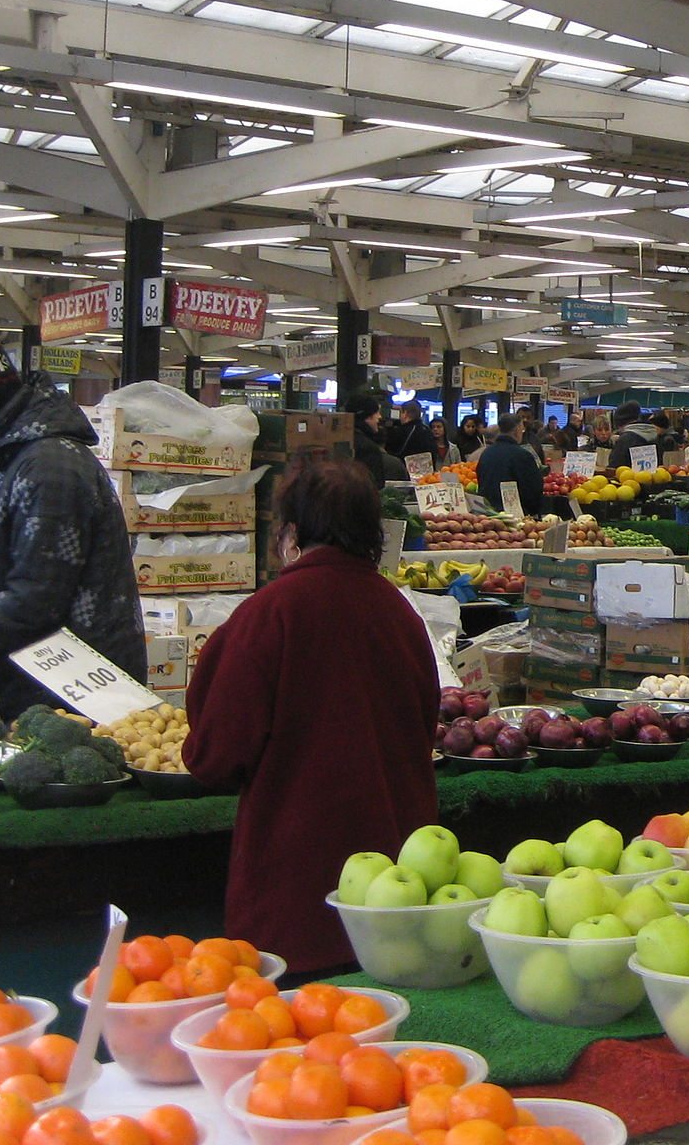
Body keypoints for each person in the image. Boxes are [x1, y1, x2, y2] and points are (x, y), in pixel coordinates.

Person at [184, 460, 438, 971]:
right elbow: (425, 723)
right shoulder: (401, 614)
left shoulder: (270, 613)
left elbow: (214, 755)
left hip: (295, 892)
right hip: (396, 889)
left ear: (291, 532)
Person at [0, 340, 146, 718]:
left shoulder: (49, 467)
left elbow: (38, 598)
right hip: (43, 678)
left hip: (74, 690)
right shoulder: (13, 461)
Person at [478, 414, 546, 516]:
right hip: (515, 516)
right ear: (517, 429)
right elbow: (533, 490)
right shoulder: (522, 455)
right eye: (522, 429)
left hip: (488, 512)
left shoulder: (486, 453)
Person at [347, 393, 409, 483]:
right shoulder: (368, 448)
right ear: (368, 416)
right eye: (377, 413)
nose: (379, 417)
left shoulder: (343, 439)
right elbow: (375, 485)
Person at [607, 401, 662, 470]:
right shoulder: (655, 436)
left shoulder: (625, 440)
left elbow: (614, 467)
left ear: (620, 423)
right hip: (654, 479)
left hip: (628, 479)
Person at [382, 400, 433, 465]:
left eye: (400, 412)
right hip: (426, 472)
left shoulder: (400, 432)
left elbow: (390, 452)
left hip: (403, 471)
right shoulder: (428, 431)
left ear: (405, 413)